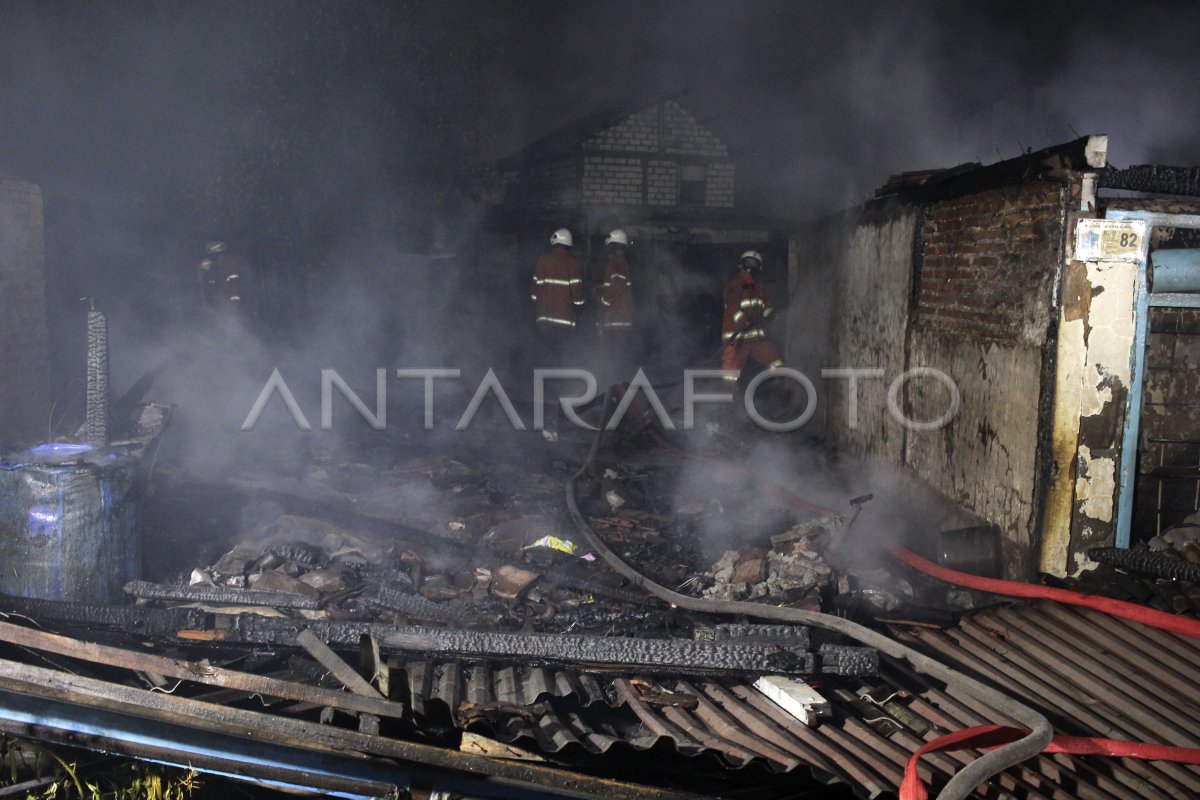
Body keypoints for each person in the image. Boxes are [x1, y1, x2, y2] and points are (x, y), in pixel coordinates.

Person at [721, 249, 783, 385]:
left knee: (776, 361)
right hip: (737, 338)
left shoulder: (759, 286)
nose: (751, 266)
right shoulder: (735, 284)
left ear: (759, 267)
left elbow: (766, 304)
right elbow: (732, 306)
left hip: (755, 337)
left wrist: (772, 314)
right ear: (740, 265)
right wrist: (743, 320)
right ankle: (726, 402)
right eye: (748, 262)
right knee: (730, 375)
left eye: (754, 263)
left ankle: (781, 392)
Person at [596, 228, 633, 333]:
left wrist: (601, 300)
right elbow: (619, 287)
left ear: (613, 246)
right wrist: (600, 287)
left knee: (611, 349)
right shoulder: (623, 264)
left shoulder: (614, 263)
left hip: (614, 318)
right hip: (623, 319)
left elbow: (613, 289)